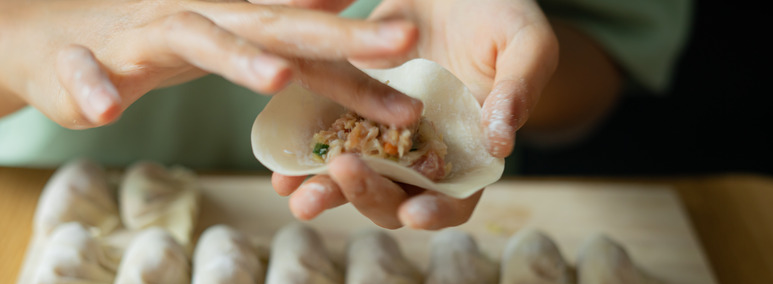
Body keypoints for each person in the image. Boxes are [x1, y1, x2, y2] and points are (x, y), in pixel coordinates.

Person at [0, 0, 693, 229]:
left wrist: (504, 85)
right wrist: (20, 39)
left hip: (472, 227)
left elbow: (608, 54)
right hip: (59, 206)